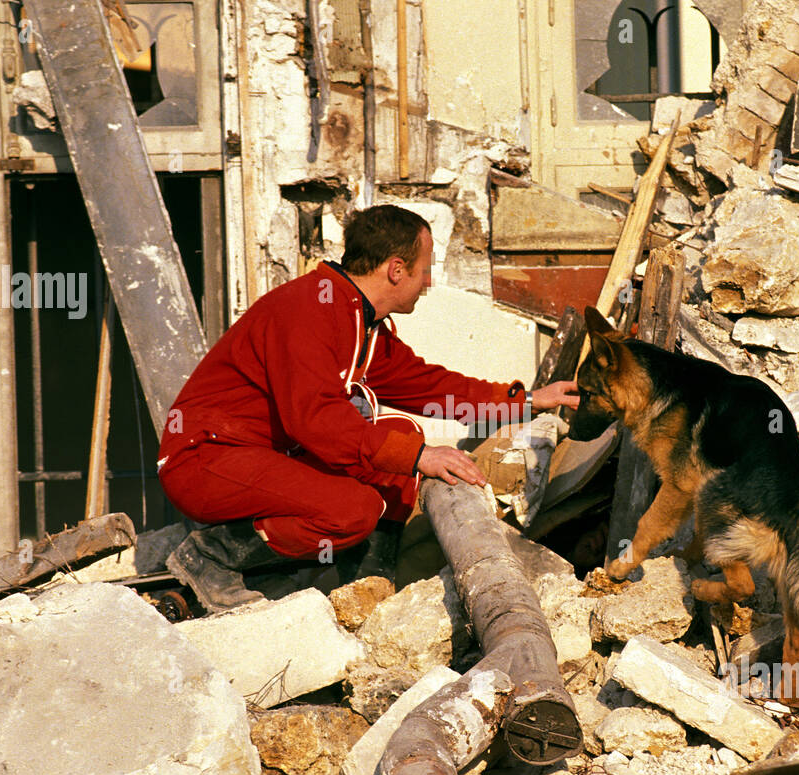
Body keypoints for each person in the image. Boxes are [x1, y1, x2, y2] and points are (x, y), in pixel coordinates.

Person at [157, 205, 579, 611]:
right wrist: (421, 458)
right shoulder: (309, 309)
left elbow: (429, 385)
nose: (428, 282)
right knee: (352, 509)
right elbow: (317, 422)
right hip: (205, 459)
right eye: (425, 269)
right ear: (396, 269)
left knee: (401, 441)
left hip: (258, 456)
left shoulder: (358, 318)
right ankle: (211, 558)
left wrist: (525, 399)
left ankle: (369, 584)